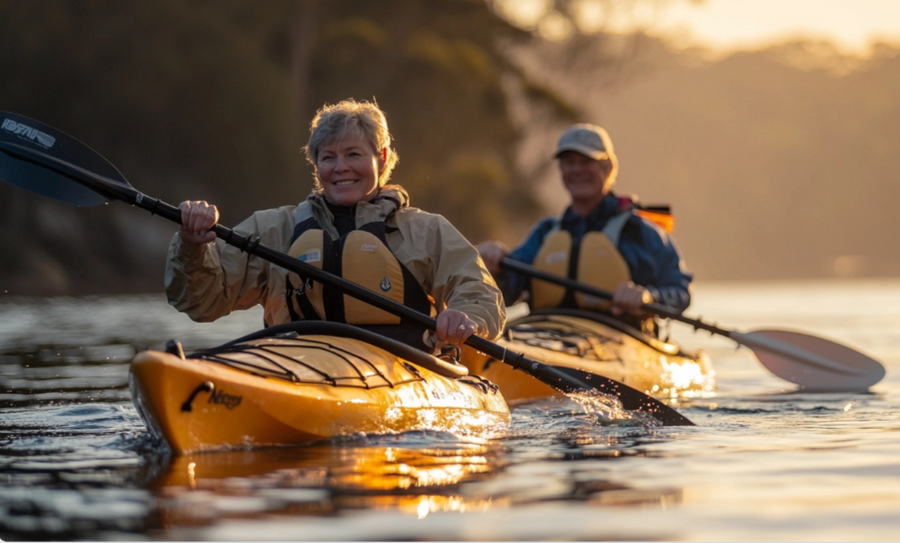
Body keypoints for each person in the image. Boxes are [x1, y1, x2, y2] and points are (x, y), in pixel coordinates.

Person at [166, 99, 505, 351]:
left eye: (354, 154)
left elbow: (479, 292)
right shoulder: (272, 229)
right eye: (328, 158)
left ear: (382, 158)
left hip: (403, 367)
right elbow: (202, 302)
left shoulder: (427, 231)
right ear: (316, 166)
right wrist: (192, 246)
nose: (340, 167)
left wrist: (464, 315)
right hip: (295, 365)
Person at [476, 123, 691, 335]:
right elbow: (504, 292)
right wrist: (489, 268)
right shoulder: (545, 233)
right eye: (569, 162)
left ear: (608, 168)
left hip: (622, 341)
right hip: (544, 337)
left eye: (587, 161)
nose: (577, 170)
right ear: (561, 170)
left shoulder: (641, 232)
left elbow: (680, 292)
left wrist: (648, 297)